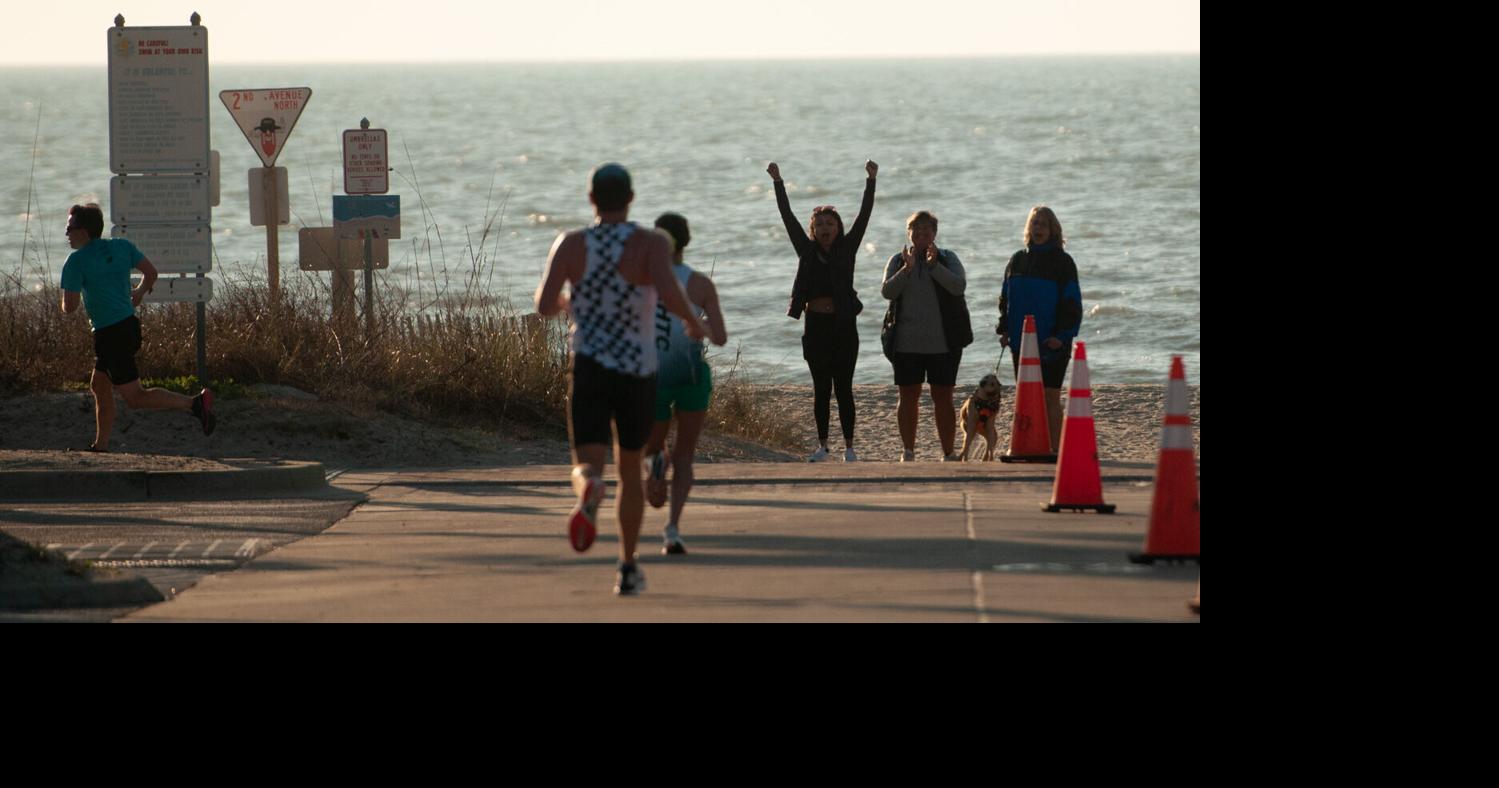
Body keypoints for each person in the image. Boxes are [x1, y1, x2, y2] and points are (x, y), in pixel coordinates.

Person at [534, 164, 708, 596]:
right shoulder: (648, 243)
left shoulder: (572, 243)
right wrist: (693, 323)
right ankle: (628, 567)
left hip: (590, 367)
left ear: (591, 199)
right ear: (630, 199)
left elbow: (542, 305)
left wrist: (565, 302)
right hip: (637, 371)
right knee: (630, 470)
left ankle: (588, 488)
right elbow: (671, 294)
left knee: (586, 464)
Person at [58, 203, 215, 451]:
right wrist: (139, 292)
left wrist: (67, 293)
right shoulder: (121, 246)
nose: (66, 233)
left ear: (84, 231)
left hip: (110, 334)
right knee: (99, 385)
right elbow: (150, 272)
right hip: (128, 328)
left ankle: (195, 404)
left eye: (70, 228)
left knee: (135, 397)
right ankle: (100, 445)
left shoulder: (76, 261)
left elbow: (69, 307)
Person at [767, 160, 877, 462]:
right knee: (820, 388)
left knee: (844, 387)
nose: (825, 228)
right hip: (815, 326)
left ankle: (850, 447)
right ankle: (823, 446)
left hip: (843, 326)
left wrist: (871, 180)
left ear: (838, 228)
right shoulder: (805, 250)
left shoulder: (848, 248)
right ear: (812, 230)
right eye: (820, 225)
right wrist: (778, 181)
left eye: (830, 223)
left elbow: (865, 214)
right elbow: (786, 216)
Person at [642, 213, 728, 556]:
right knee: (685, 456)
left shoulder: (642, 281)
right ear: (686, 242)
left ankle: (656, 466)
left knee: (653, 447)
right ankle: (673, 529)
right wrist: (699, 327)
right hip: (691, 375)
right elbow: (719, 337)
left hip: (653, 377)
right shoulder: (700, 284)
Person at [880, 210, 971, 461]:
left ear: (935, 234)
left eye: (926, 230)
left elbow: (958, 286)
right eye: (916, 230)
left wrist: (933, 266)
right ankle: (908, 451)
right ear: (909, 233)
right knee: (908, 395)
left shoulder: (947, 257)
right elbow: (887, 292)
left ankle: (948, 452)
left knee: (943, 396)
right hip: (907, 343)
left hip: (943, 342)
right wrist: (907, 270)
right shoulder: (898, 261)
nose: (921, 234)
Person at [996, 206, 1082, 451]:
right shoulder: (1017, 260)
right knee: (1027, 397)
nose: (1038, 229)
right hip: (1021, 342)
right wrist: (1004, 329)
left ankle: (1055, 450)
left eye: (1043, 224)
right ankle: (1030, 445)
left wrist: (1062, 336)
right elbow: (1005, 298)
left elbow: (1072, 303)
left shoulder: (1063, 263)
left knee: (1050, 396)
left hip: (1051, 341)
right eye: (1034, 224)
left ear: (1053, 230)